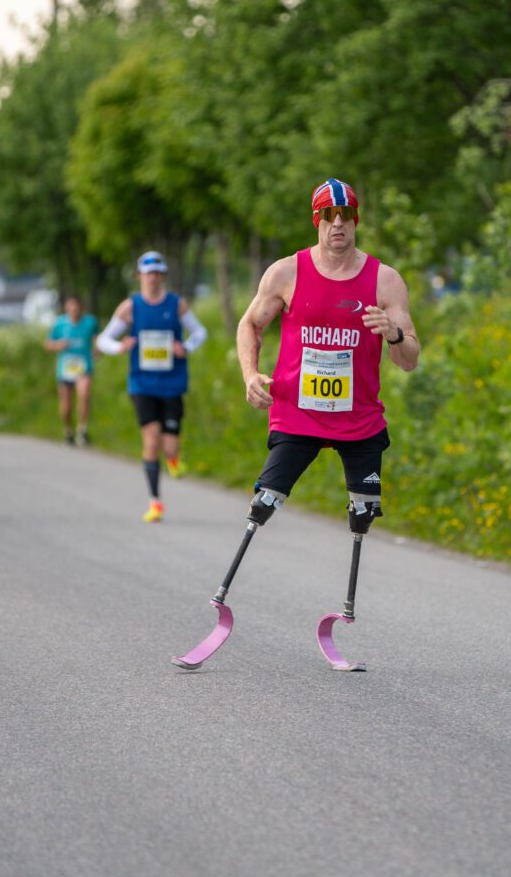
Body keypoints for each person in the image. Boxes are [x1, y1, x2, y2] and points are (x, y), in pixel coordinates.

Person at [171, 178, 419, 671]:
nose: (338, 227)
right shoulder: (286, 273)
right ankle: (221, 605)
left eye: (346, 218)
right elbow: (249, 324)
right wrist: (249, 374)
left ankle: (344, 616)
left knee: (364, 514)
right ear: (318, 222)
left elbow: (410, 359)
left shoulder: (384, 280)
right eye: (329, 218)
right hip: (298, 413)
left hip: (359, 419)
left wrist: (393, 334)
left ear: (356, 221)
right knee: (264, 501)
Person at [96, 251, 208, 522]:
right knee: (151, 439)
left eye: (158, 273)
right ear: (139, 276)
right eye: (148, 273)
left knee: (169, 446)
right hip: (142, 383)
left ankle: (172, 458)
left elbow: (200, 332)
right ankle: (155, 503)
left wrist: (186, 347)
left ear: (163, 276)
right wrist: (120, 346)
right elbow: (103, 340)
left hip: (172, 384)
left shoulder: (177, 304)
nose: (153, 278)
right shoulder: (130, 307)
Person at [44, 294, 96, 446]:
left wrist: (97, 350)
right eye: (70, 306)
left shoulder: (90, 322)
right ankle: (68, 430)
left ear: (81, 308)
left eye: (76, 306)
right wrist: (58, 345)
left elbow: (95, 339)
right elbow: (47, 344)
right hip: (65, 369)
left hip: (84, 366)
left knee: (84, 395)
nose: (74, 309)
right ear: (66, 308)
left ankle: (82, 430)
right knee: (66, 406)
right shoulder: (59, 324)